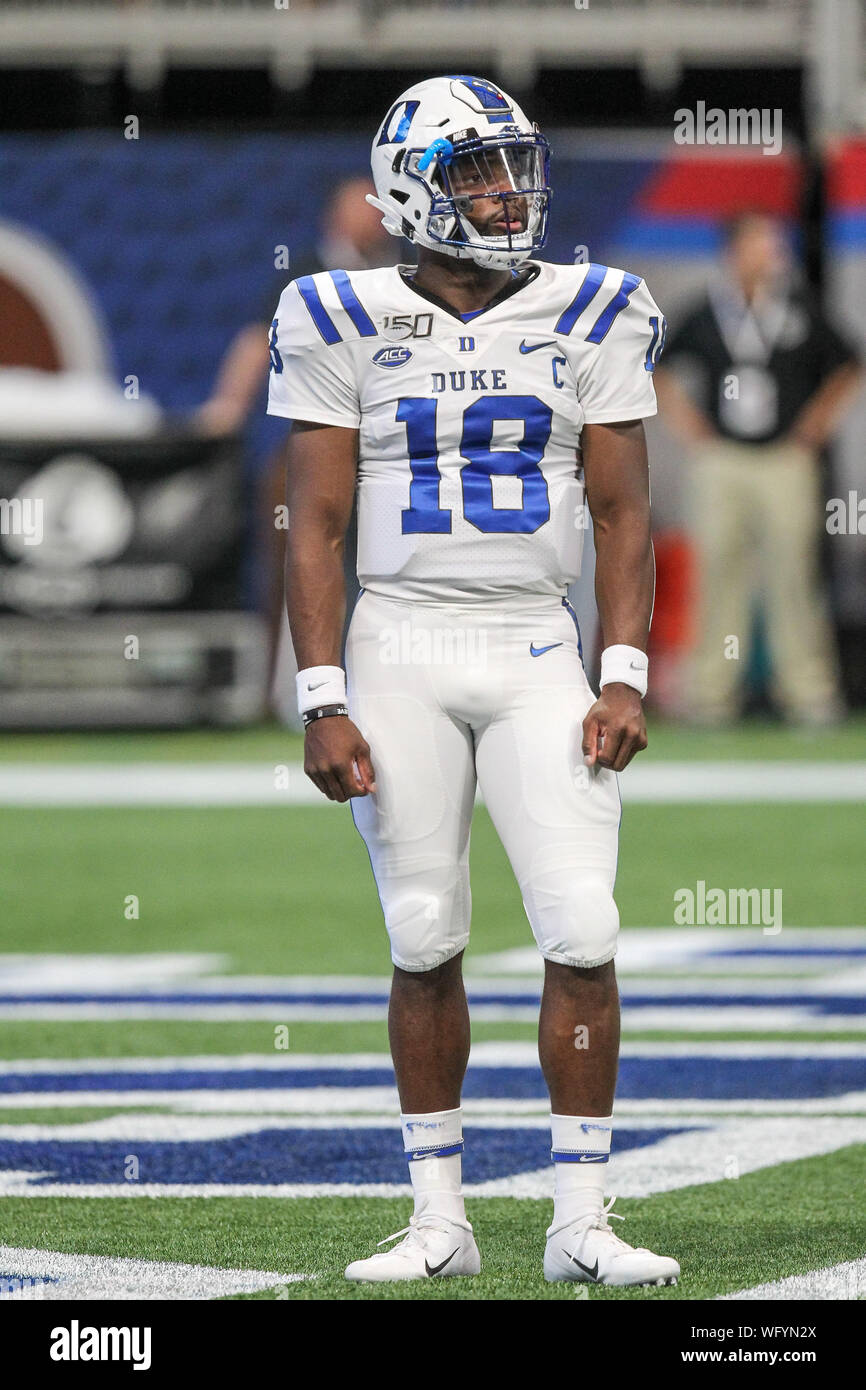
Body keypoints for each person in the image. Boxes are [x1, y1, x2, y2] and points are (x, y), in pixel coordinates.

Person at [269, 74, 679, 1288]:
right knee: (423, 932)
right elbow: (318, 521)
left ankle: (579, 1220)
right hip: (398, 640)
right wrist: (321, 690)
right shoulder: (333, 312)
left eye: (514, 167)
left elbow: (620, 510)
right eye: (476, 172)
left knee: (582, 926)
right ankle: (438, 1215)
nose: (509, 194)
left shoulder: (594, 306)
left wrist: (622, 673)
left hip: (534, 645)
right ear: (411, 187)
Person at [655, 211, 862, 725]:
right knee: (716, 571)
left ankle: (808, 694)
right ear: (735, 252)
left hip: (783, 459)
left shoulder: (797, 308)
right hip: (723, 459)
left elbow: (848, 363)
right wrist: (692, 430)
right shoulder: (708, 311)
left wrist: (814, 425)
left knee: (792, 573)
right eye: (760, 244)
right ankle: (709, 694)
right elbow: (657, 367)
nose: (772, 253)